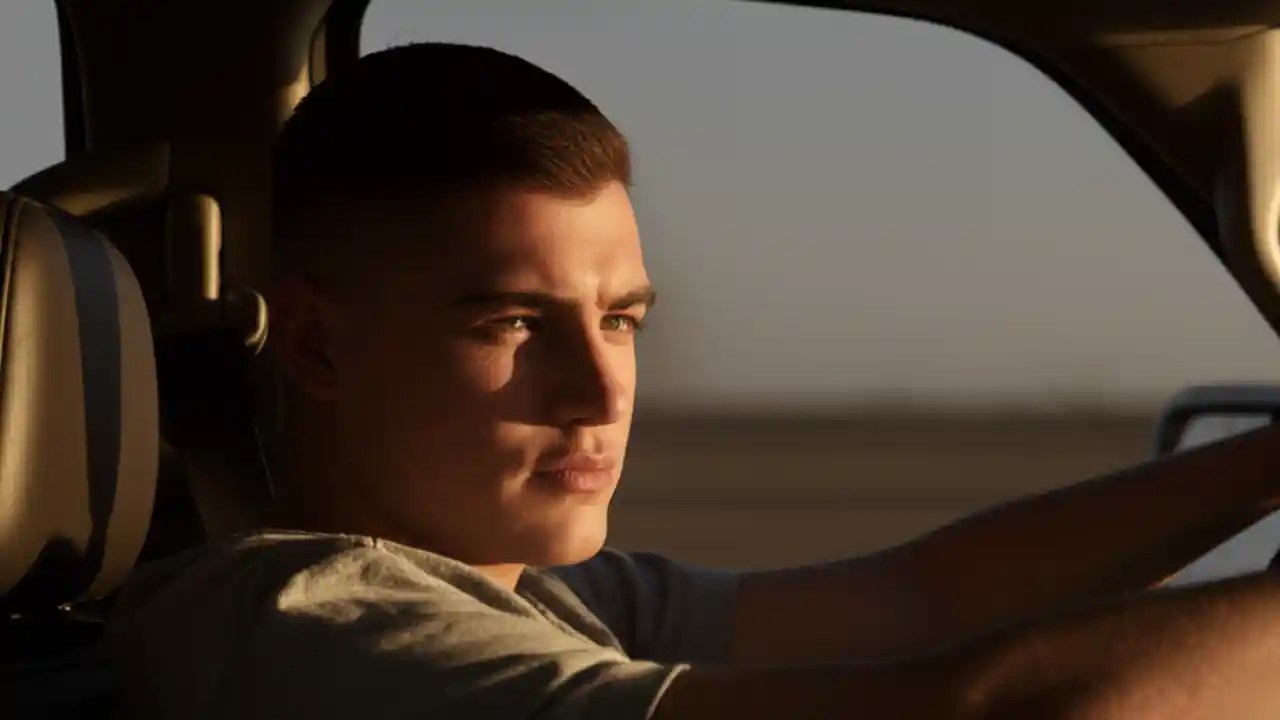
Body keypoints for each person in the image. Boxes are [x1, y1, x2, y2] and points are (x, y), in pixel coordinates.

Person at [108, 41, 1280, 719]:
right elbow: (994, 712)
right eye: (514, 323)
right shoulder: (312, 629)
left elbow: (919, 600)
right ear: (318, 348)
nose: (599, 391)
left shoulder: (529, 593)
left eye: (619, 320)